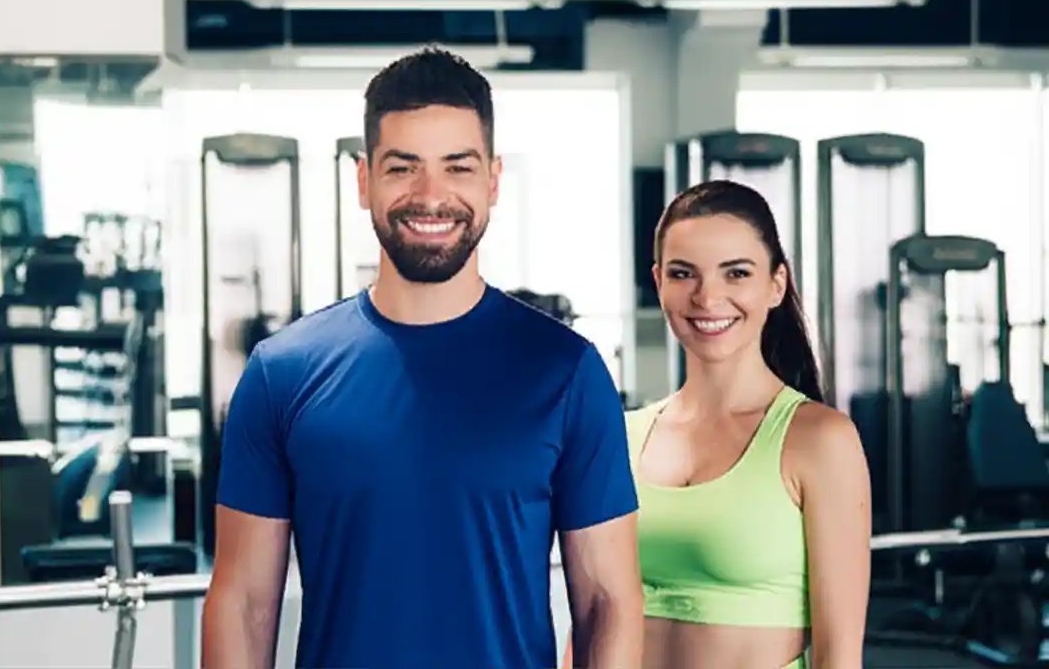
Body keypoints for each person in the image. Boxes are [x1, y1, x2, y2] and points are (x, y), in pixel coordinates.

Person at [202, 46, 644, 669]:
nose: (430, 196)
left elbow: (607, 603)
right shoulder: (282, 374)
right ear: (364, 181)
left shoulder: (567, 373)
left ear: (492, 180)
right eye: (403, 167)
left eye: (457, 168)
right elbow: (244, 602)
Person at [569, 180, 872, 669]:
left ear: (776, 285)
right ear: (659, 281)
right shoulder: (621, 437)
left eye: (736, 273)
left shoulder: (819, 440)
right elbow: (591, 623)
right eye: (683, 273)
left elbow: (839, 657)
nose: (708, 297)